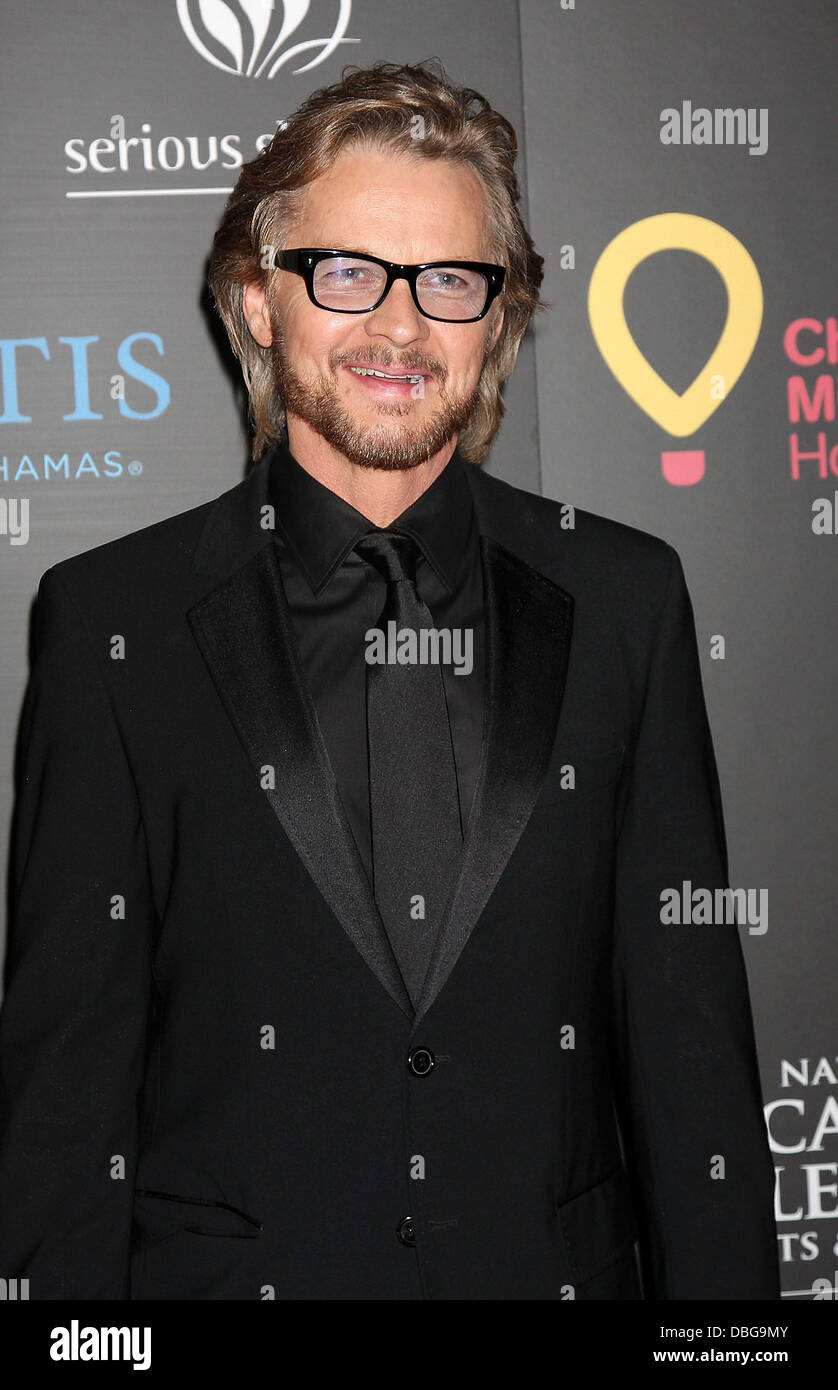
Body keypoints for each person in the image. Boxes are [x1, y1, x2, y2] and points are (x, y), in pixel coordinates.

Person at [0, 59, 778, 1300]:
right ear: (259, 301)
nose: (402, 327)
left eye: (451, 281)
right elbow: (62, 1097)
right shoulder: (112, 623)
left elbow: (692, 1061)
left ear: (501, 316)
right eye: (347, 271)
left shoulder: (628, 600)